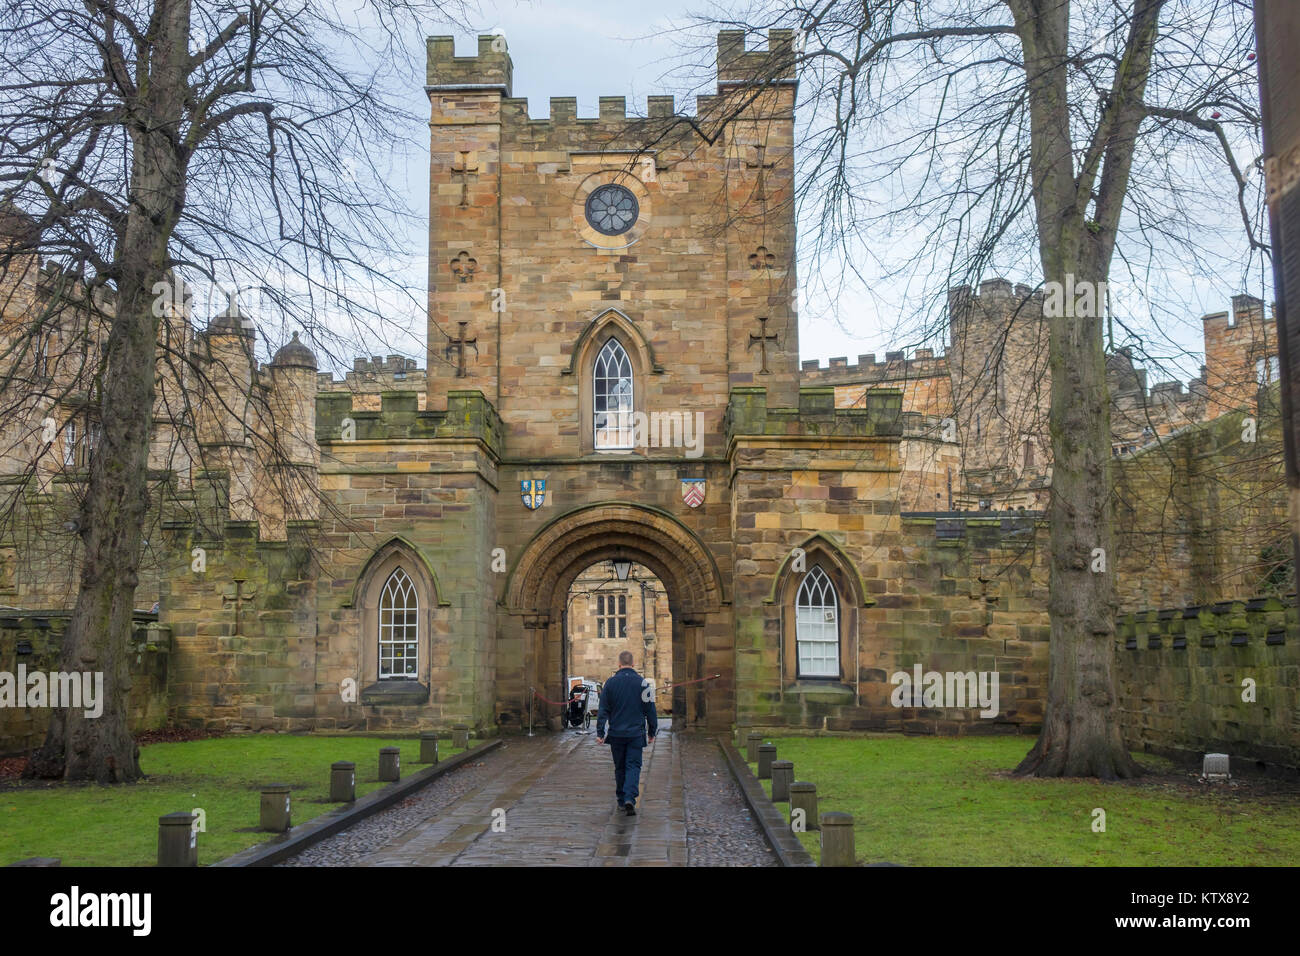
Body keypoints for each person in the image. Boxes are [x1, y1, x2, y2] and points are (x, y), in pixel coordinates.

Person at [596, 650, 658, 816]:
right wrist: (652, 731)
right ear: (633, 664)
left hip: (616, 733)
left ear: (619, 664)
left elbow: (603, 710)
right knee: (633, 766)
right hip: (635, 734)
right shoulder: (643, 683)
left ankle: (621, 799)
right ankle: (630, 797)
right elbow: (650, 710)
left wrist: (600, 732)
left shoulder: (610, 683)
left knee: (620, 767)